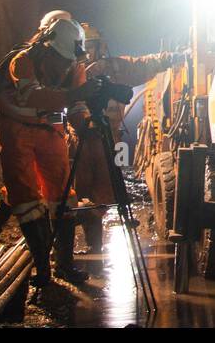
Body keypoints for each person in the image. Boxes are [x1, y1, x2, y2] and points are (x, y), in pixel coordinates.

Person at [0, 14, 101, 291]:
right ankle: (43, 268)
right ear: (47, 47)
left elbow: (76, 106)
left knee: (62, 193)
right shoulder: (23, 61)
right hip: (15, 126)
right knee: (25, 195)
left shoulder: (74, 64)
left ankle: (64, 263)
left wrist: (87, 126)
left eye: (69, 60)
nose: (65, 65)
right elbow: (31, 95)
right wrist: (74, 96)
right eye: (61, 59)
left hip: (50, 126)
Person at [65, 23, 185, 256]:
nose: (87, 51)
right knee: (71, 197)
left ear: (100, 47)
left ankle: (94, 248)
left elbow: (141, 66)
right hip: (77, 141)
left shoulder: (114, 68)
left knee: (101, 198)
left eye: (91, 46)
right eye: (82, 46)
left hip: (107, 140)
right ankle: (63, 256)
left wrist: (171, 58)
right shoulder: (67, 70)